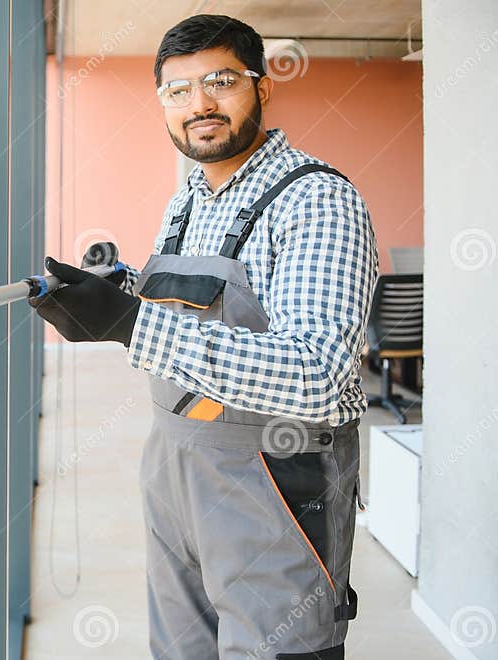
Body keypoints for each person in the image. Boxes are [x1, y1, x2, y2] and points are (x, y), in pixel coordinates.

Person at [30, 14, 379, 660]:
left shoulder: (316, 201)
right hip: (175, 470)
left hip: (276, 481)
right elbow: (190, 305)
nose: (200, 106)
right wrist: (116, 290)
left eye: (220, 82)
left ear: (263, 87)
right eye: (178, 90)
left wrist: (130, 322)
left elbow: (320, 374)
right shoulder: (189, 198)